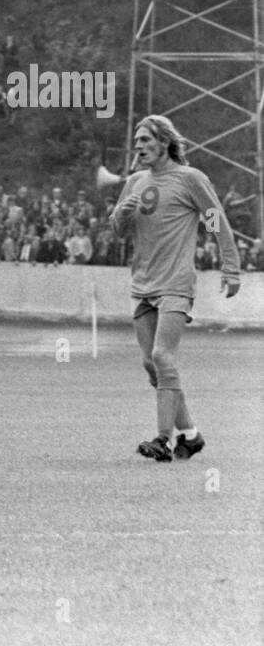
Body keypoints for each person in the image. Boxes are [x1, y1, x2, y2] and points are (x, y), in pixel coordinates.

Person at [110, 115, 240, 462]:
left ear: (165, 142)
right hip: (142, 284)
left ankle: (162, 440)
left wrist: (231, 266)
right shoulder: (135, 182)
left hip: (175, 283)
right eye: (136, 141)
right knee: (152, 366)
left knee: (162, 356)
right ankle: (191, 435)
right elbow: (118, 230)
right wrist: (123, 212)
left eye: (146, 140)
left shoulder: (190, 179)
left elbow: (215, 220)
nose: (139, 147)